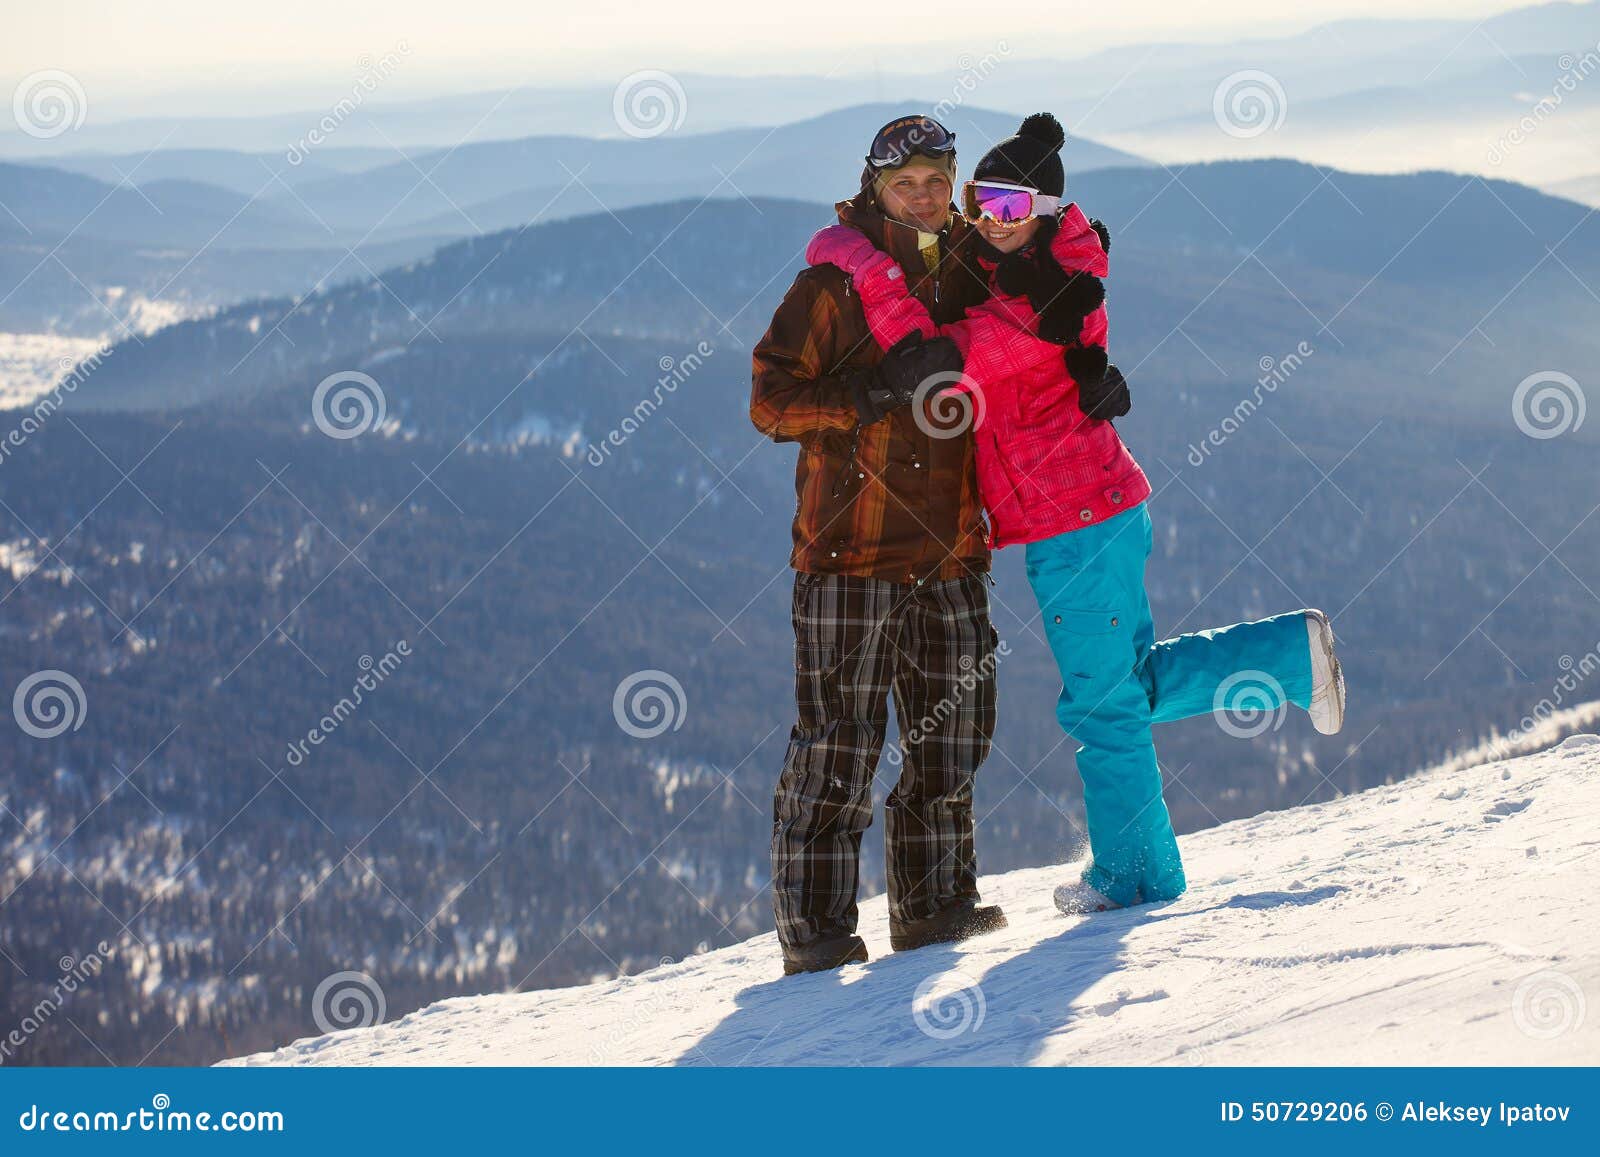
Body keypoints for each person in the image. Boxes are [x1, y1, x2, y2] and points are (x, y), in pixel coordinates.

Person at [805, 112, 1347, 917]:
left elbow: (926, 353)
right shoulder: (1041, 275)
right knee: (1121, 689)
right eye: (984, 199)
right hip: (1095, 511)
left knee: (1102, 708)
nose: (992, 217)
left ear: (1050, 212)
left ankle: (1136, 877)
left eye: (1015, 206)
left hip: (1075, 524)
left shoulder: (1036, 307)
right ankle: (1290, 658)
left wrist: (846, 250)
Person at [750, 115, 1009, 976]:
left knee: (955, 736)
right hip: (849, 555)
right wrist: (870, 391)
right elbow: (770, 400)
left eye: (939, 181)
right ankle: (817, 935)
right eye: (908, 186)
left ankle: (936, 908)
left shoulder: (974, 267)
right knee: (839, 743)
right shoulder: (832, 285)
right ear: (875, 189)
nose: (927, 197)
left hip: (950, 549)